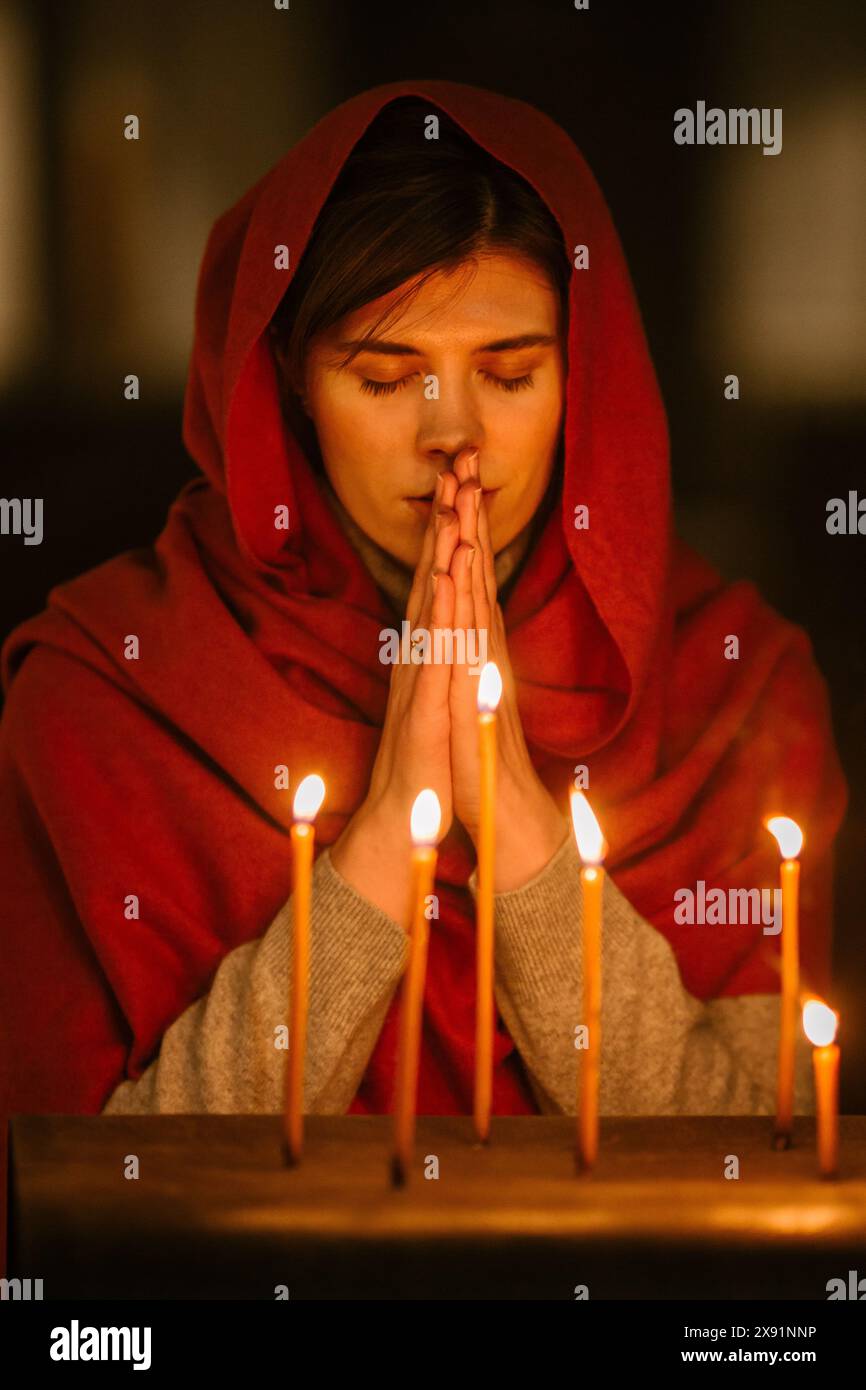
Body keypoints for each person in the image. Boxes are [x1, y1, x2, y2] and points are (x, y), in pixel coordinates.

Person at [0, 83, 847, 1158]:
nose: (455, 436)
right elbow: (79, 1190)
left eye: (508, 373)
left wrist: (517, 825)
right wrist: (381, 840)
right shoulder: (107, 692)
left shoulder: (734, 690)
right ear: (291, 384)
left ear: (587, 378)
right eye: (385, 376)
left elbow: (760, 1164)